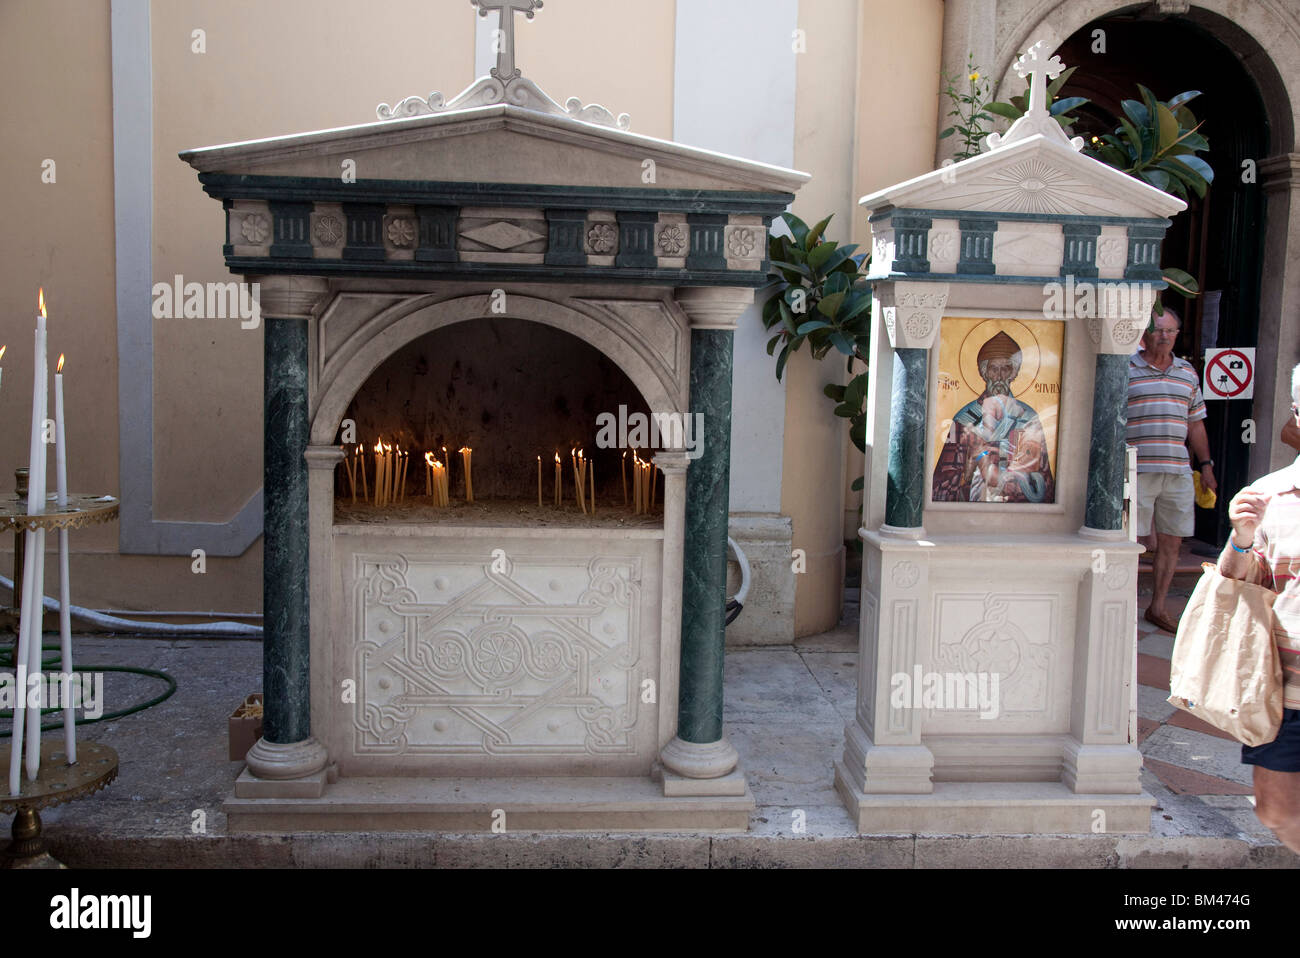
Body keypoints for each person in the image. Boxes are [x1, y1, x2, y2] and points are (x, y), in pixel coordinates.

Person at [1218, 362, 1300, 853]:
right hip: (1283, 688)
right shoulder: (1268, 497)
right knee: (1276, 809)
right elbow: (1233, 586)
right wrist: (1242, 539)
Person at [1127, 307, 1217, 633]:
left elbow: (1196, 425)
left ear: (1178, 335)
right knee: (1130, 543)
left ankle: (1158, 607)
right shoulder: (1126, 369)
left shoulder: (1187, 373)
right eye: (1158, 330)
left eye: (1170, 331)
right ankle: (1125, 608)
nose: (1164, 336)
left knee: (1172, 543)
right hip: (1136, 470)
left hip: (1177, 471)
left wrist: (1205, 466)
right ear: (1145, 333)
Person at [933, 330, 1055, 503]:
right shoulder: (964, 419)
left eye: (1006, 369)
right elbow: (939, 487)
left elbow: (1043, 483)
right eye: (993, 369)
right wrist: (966, 473)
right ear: (984, 372)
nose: (999, 377)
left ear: (1014, 373)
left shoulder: (1028, 418)